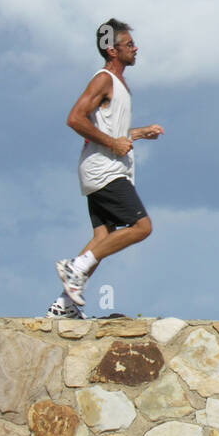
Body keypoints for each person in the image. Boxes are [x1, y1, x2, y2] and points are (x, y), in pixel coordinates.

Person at [47, 18, 163, 318]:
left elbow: (112, 130)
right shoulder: (103, 79)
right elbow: (74, 118)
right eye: (129, 45)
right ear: (112, 50)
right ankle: (76, 266)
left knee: (102, 237)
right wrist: (114, 144)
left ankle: (64, 305)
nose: (135, 49)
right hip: (105, 169)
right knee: (142, 227)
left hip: (102, 168)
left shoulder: (120, 84)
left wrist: (139, 133)